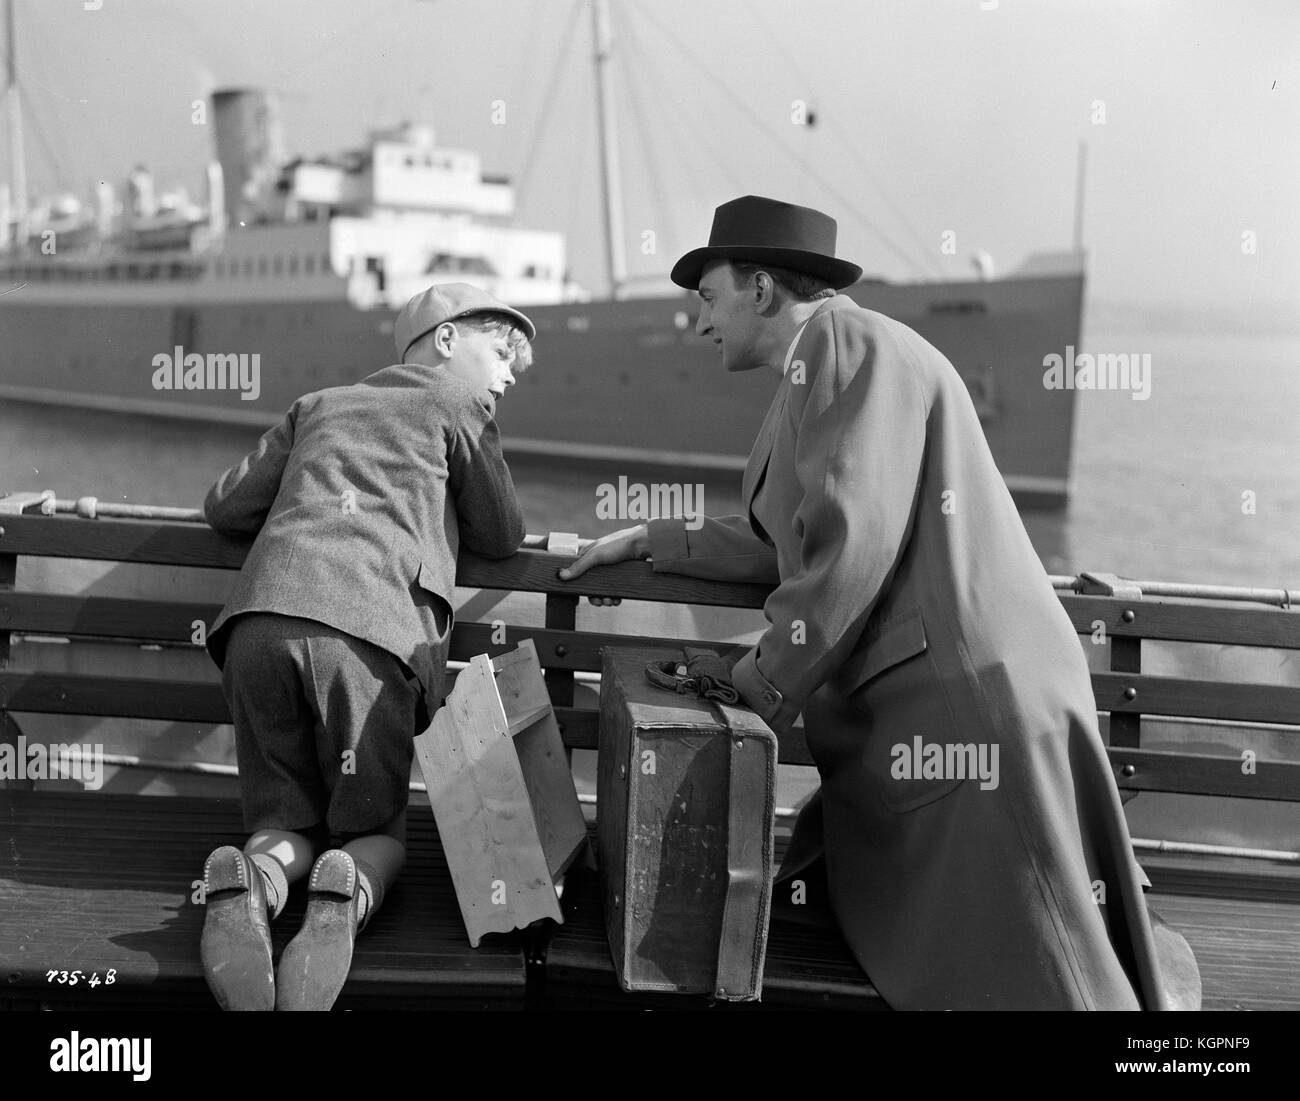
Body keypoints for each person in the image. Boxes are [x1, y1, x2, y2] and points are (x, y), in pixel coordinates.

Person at [558, 195, 1198, 1010]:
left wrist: (754, 681)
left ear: (760, 288)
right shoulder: (817, 369)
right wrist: (655, 539)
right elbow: (789, 539)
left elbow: (850, 547)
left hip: (962, 708)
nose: (698, 320)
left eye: (707, 294)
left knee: (1048, 977)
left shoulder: (841, 341)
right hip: (947, 704)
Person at [198, 283, 532, 1010]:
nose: (507, 377)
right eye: (500, 355)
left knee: (282, 822)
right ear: (445, 342)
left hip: (258, 626)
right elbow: (502, 534)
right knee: (373, 831)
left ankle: (254, 881)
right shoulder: (456, 406)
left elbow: (225, 506)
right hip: (372, 646)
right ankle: (345, 891)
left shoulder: (318, 403)